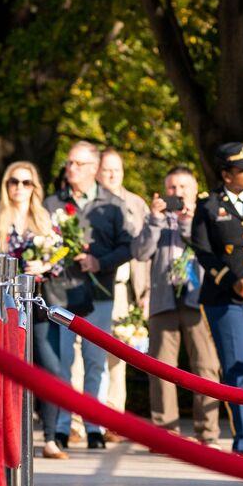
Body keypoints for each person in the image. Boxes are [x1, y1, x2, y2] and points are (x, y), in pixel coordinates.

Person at [42, 141, 133, 450]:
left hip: (99, 294)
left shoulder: (112, 204)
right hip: (62, 294)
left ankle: (94, 425)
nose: (71, 169)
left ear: (94, 169)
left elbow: (127, 246)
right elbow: (40, 242)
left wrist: (100, 261)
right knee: (64, 361)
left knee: (95, 362)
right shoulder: (53, 203)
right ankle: (65, 426)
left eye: (78, 164)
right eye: (69, 163)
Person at [136, 165, 221, 445]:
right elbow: (140, 253)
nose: (178, 193)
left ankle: (207, 433)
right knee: (161, 367)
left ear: (195, 191)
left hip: (197, 299)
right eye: (172, 188)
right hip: (163, 298)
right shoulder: (155, 220)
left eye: (183, 188)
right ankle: (166, 435)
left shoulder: (205, 216)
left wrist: (186, 221)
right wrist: (155, 219)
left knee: (206, 366)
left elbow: (204, 247)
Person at [190, 142, 243, 455]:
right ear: (226, 175)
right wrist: (232, 282)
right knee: (235, 367)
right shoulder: (209, 204)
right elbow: (203, 251)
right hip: (224, 297)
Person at [0, 160, 68, 460]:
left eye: (26, 182)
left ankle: (51, 438)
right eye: (14, 182)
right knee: (9, 371)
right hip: (6, 304)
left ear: (35, 187)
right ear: (6, 185)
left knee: (51, 369)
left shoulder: (45, 220)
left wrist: (46, 265)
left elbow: (62, 259)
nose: (19, 188)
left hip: (39, 303)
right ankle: (7, 437)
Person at [97, 148, 150, 425]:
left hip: (123, 288)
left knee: (117, 354)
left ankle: (113, 417)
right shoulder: (89, 202)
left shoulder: (136, 204)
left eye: (117, 169)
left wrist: (146, 291)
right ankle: (82, 419)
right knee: (87, 351)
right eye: (107, 169)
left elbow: (147, 250)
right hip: (93, 285)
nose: (112, 174)